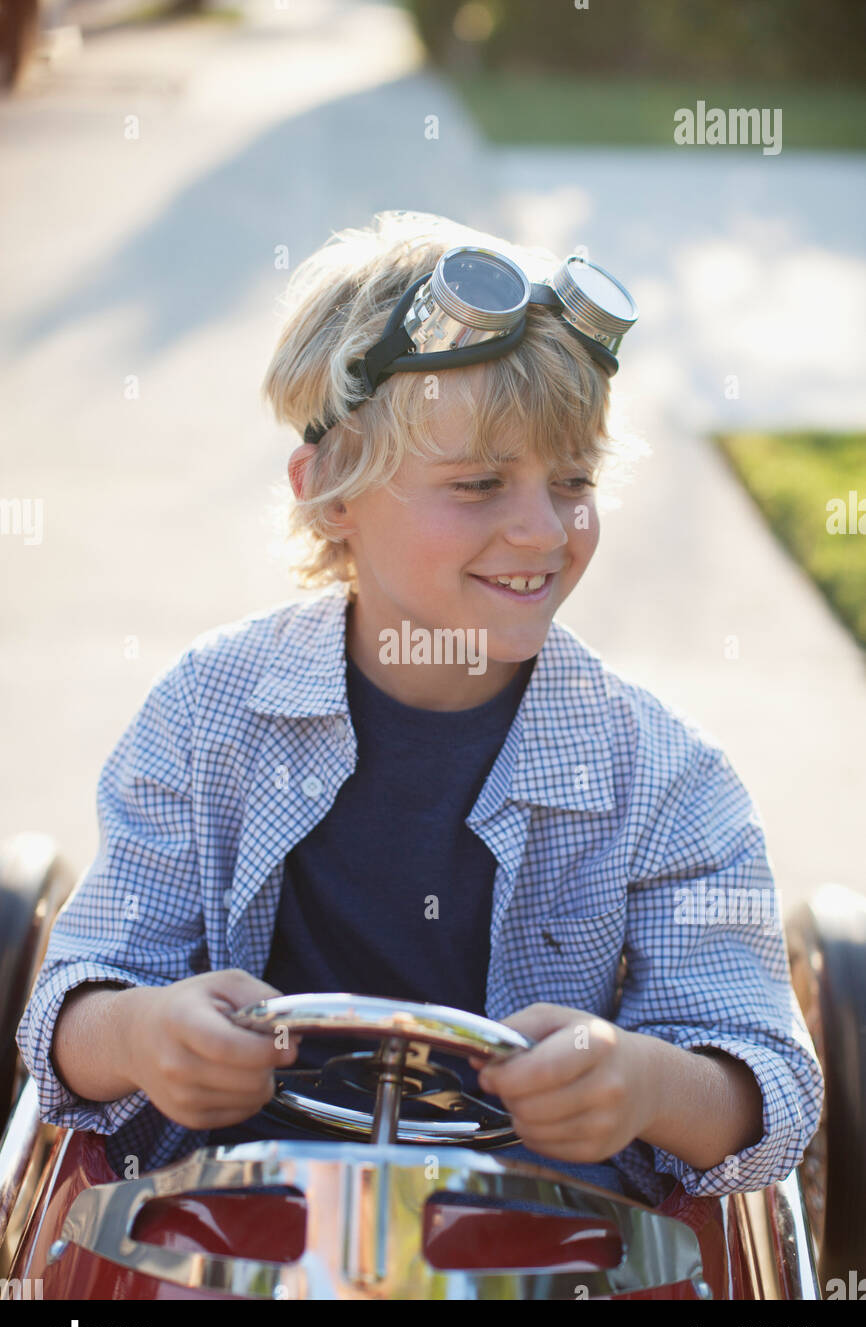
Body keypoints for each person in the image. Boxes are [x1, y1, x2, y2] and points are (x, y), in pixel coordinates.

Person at [16, 210, 823, 1209]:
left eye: (571, 481)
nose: (540, 529)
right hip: (229, 1230)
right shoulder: (206, 714)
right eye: (478, 483)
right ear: (329, 496)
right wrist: (139, 1033)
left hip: (546, 1245)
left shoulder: (664, 776)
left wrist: (647, 1084)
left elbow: (768, 1080)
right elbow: (74, 997)